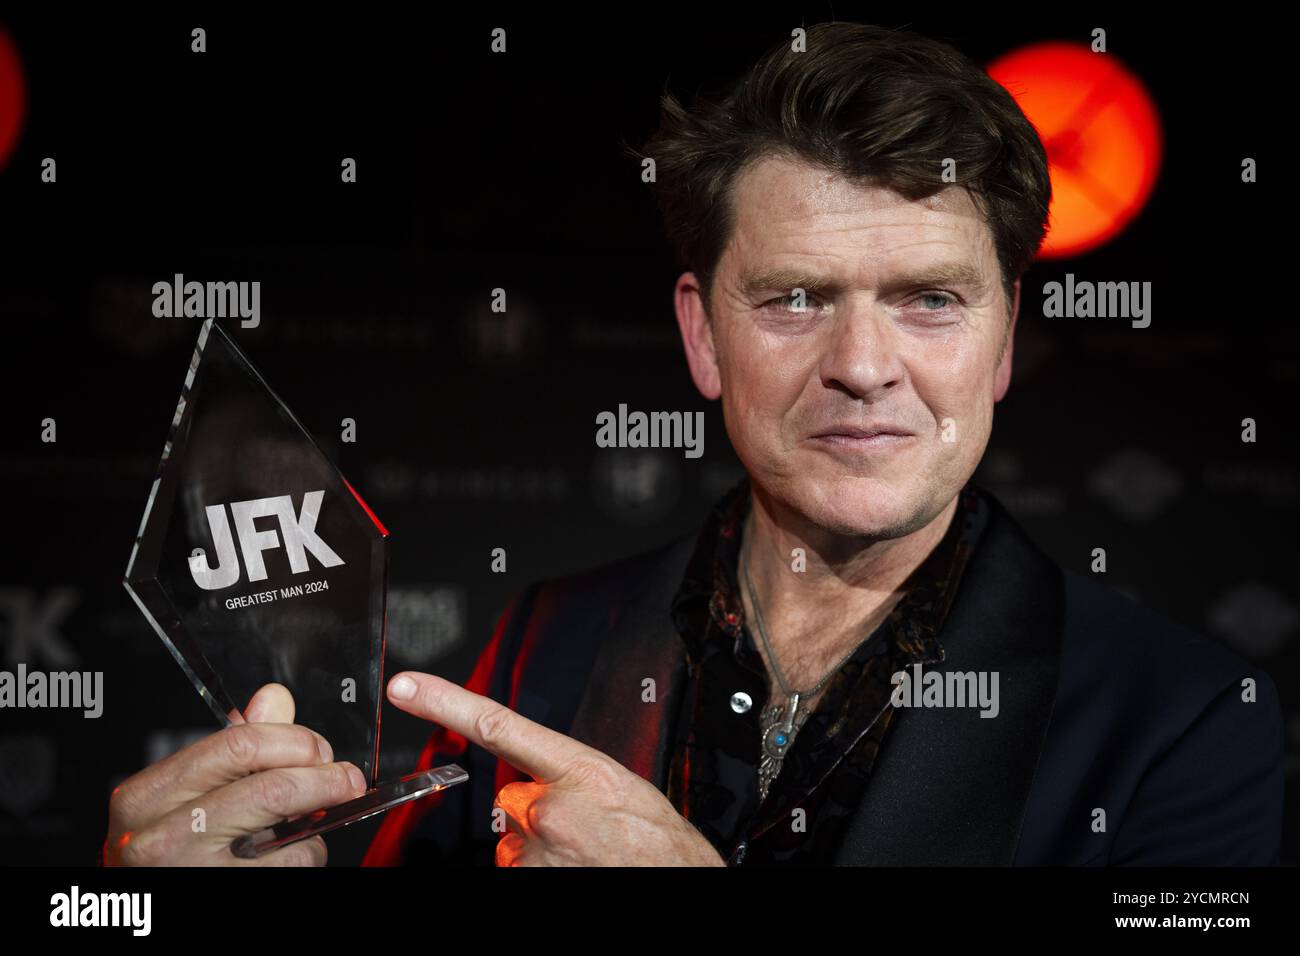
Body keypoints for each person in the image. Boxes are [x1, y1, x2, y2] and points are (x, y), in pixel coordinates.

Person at [104, 21, 1284, 867]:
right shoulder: (546, 642)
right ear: (701, 336)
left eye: (929, 299)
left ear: (1003, 341)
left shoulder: (1179, 716)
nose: (863, 364)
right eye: (793, 299)